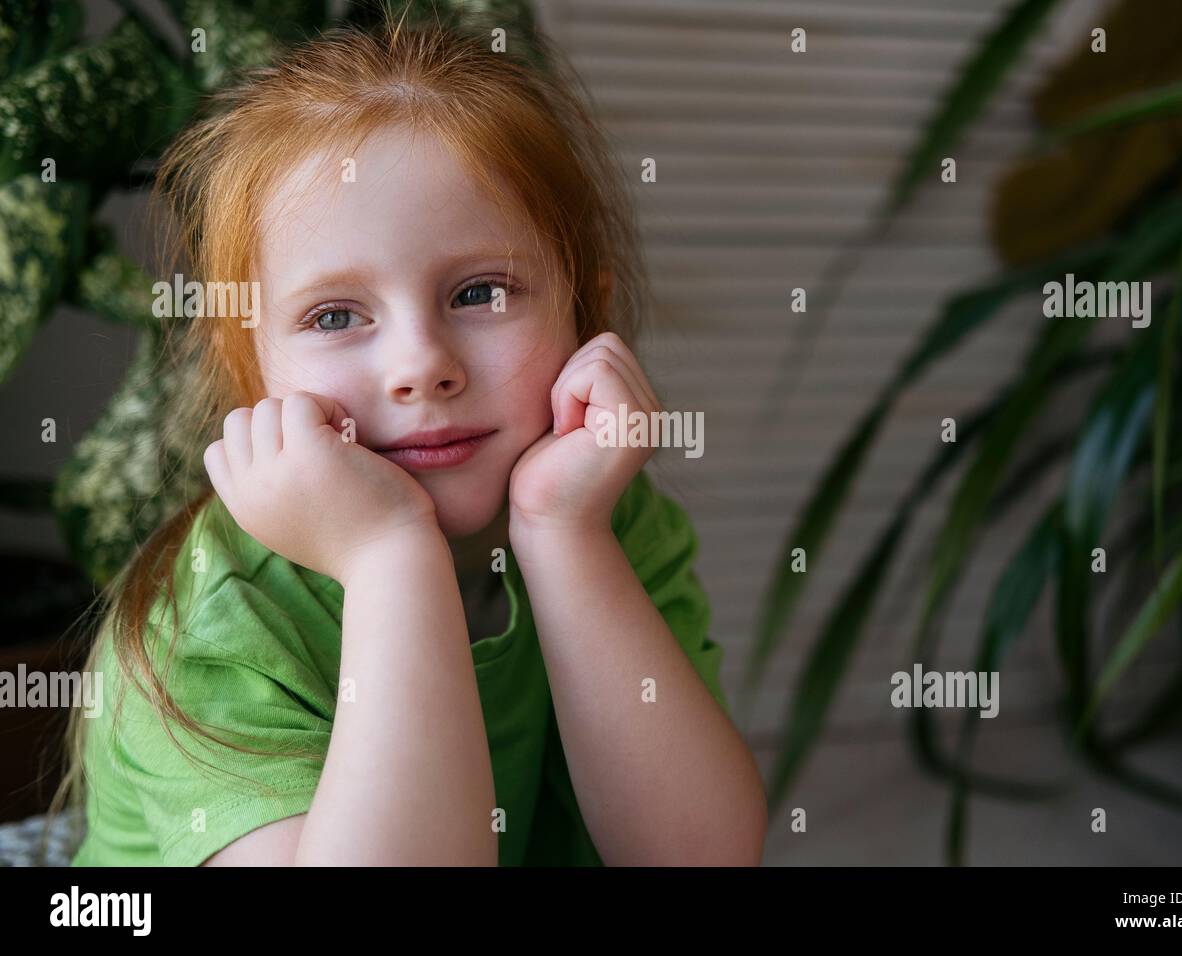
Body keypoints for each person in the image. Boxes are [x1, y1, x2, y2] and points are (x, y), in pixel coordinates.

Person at [57, 11, 766, 866]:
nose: (421, 367)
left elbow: (697, 856)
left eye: (480, 293)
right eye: (334, 315)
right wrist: (391, 557)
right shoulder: (220, 616)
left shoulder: (603, 517)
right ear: (248, 364)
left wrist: (562, 535)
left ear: (585, 313)